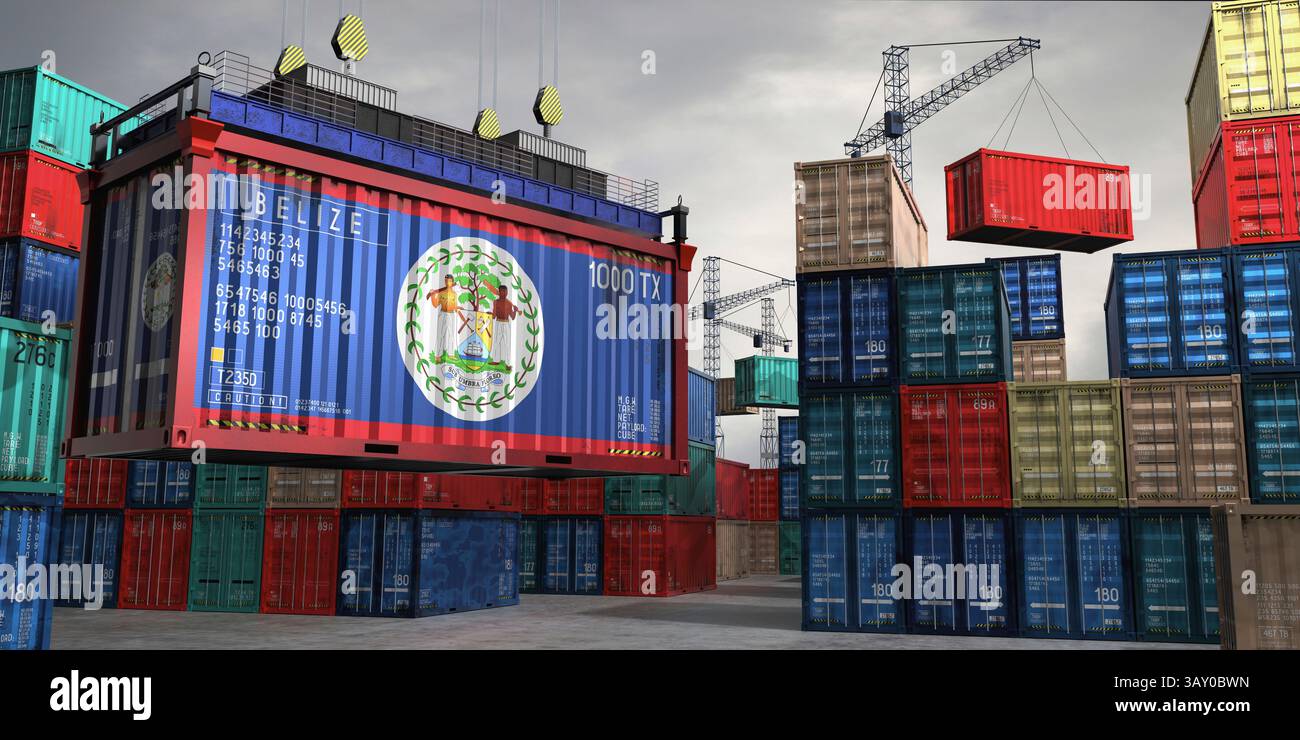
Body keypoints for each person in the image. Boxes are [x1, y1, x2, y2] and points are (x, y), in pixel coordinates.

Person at [427, 274, 459, 363]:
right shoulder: (441, 293)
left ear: (452, 282)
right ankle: (438, 355)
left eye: (449, 281)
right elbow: (435, 305)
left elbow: (455, 305)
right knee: (440, 334)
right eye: (445, 281)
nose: (447, 282)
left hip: (451, 315)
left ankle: (451, 354)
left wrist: (458, 308)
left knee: (451, 334)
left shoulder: (454, 294)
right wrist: (432, 295)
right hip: (443, 314)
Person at [490, 284, 519, 370]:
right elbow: (494, 316)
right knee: (496, 342)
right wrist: (490, 314)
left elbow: (512, 317)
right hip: (498, 323)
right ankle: (496, 360)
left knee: (507, 344)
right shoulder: (495, 302)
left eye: (505, 291)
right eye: (502, 291)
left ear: (507, 292)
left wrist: (515, 311)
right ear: (499, 292)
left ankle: (508, 364)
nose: (504, 293)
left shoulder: (509, 303)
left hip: (506, 324)